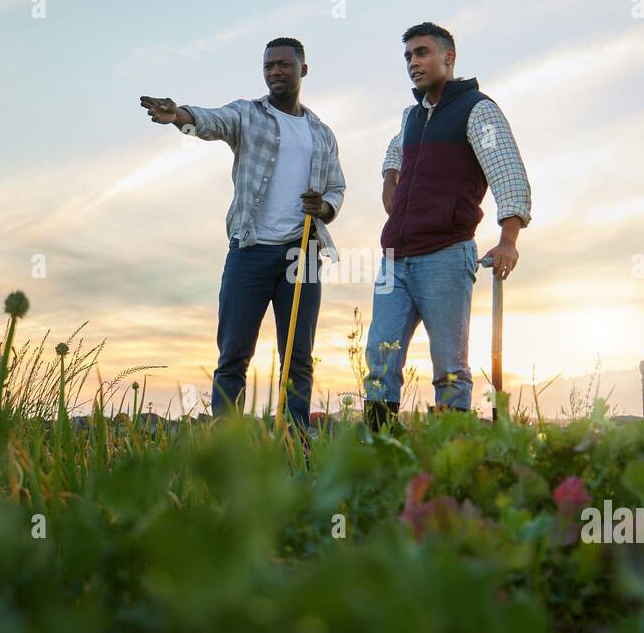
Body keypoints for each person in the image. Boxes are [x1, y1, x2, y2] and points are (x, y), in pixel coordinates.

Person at [140, 37, 345, 433]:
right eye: (268, 66)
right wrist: (178, 114)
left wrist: (324, 207)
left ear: (303, 70)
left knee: (298, 358)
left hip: (300, 255)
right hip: (249, 251)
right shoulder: (248, 115)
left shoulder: (322, 133)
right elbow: (213, 120)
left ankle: (295, 446)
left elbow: (337, 187)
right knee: (233, 355)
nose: (275, 72)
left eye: (284, 65)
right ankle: (228, 451)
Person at [363, 22, 532, 429]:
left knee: (449, 367)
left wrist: (508, 239)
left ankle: (450, 457)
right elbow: (393, 150)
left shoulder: (477, 109)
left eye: (422, 53)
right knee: (380, 360)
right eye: (408, 56)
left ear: (448, 57)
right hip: (395, 259)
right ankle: (377, 454)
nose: (413, 63)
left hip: (445, 255)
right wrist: (390, 178)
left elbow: (507, 171)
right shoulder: (412, 116)